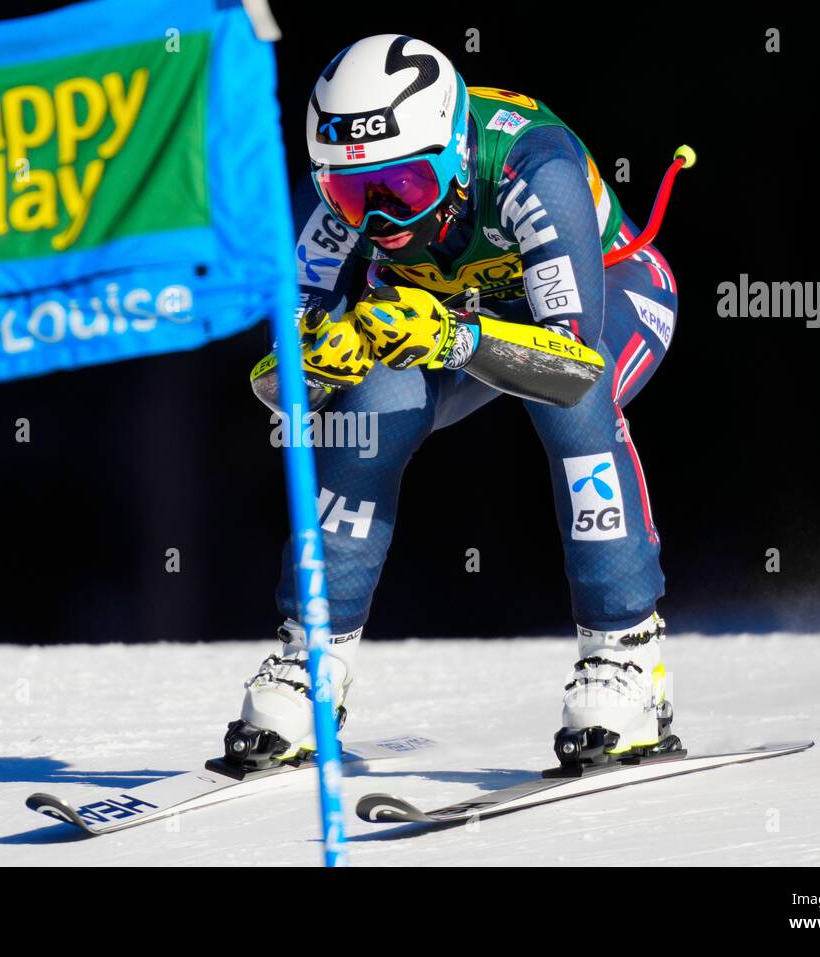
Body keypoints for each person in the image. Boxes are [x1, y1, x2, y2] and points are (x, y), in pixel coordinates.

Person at [227, 34, 682, 770]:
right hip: (443, 319)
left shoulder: (537, 167)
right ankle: (314, 654)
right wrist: (317, 360)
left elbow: (569, 364)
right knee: (364, 413)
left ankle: (628, 654)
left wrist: (450, 333)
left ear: (455, 155)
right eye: (351, 193)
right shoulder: (336, 195)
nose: (378, 216)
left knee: (576, 407)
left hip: (608, 298)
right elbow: (280, 396)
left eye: (404, 187)